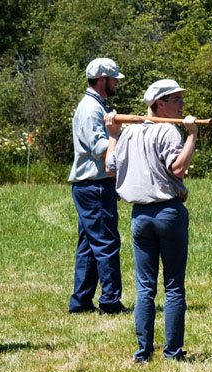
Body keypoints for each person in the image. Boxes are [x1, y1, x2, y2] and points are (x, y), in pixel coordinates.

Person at [105, 79, 198, 362]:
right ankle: (172, 352)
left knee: (145, 288)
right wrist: (192, 135)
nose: (182, 104)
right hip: (168, 212)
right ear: (159, 104)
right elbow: (179, 168)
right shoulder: (168, 131)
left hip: (140, 216)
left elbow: (110, 167)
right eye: (176, 100)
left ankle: (143, 353)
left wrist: (113, 134)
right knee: (173, 287)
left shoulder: (130, 133)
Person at [67, 58, 127, 314]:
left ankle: (81, 302)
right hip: (95, 186)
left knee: (90, 246)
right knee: (106, 244)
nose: (116, 83)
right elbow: (100, 148)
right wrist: (119, 136)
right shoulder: (91, 108)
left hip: (92, 185)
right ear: (102, 80)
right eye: (114, 79)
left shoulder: (95, 105)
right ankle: (111, 302)